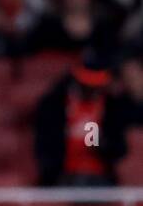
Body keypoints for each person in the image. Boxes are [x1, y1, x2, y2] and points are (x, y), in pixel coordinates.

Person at [34, 54, 130, 186]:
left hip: (100, 177)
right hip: (61, 176)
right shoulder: (54, 105)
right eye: (87, 86)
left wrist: (101, 144)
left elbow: (120, 149)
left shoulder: (111, 107)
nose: (91, 91)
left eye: (95, 87)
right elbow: (43, 146)